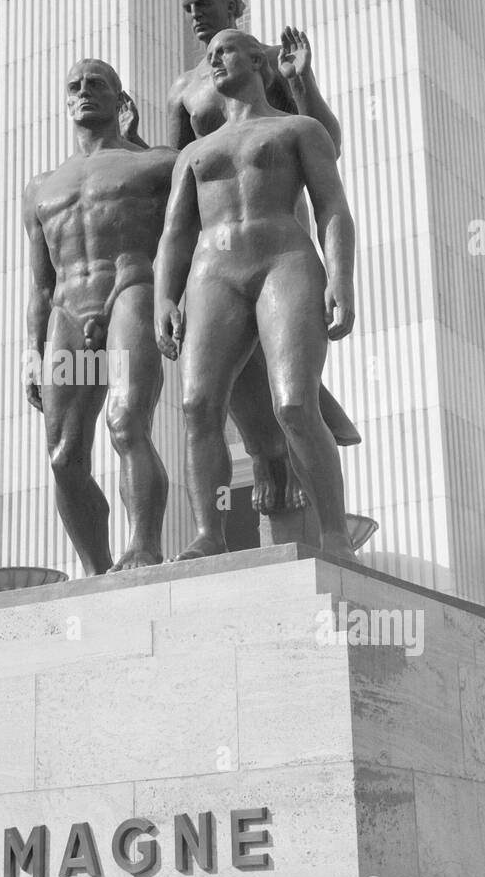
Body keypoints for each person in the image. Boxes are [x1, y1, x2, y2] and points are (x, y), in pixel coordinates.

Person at [154, 29, 357, 561]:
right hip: (212, 274)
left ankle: (335, 534)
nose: (214, 59)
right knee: (198, 405)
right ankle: (208, 533)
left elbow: (333, 205)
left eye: (226, 50)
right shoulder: (194, 153)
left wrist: (341, 278)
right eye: (210, 54)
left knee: (293, 403)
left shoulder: (298, 128)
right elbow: (174, 236)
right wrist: (162, 299)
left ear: (258, 60)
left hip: (283, 263)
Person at [23, 59, 176, 574]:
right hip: (68, 313)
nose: (85, 91)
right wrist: (31, 350)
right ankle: (97, 569)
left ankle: (144, 547)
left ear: (120, 99)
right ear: (66, 101)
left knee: (126, 421)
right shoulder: (41, 187)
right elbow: (41, 283)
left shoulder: (153, 163)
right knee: (64, 456)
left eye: (97, 84)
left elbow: (191, 228)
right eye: (76, 86)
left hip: (129, 293)